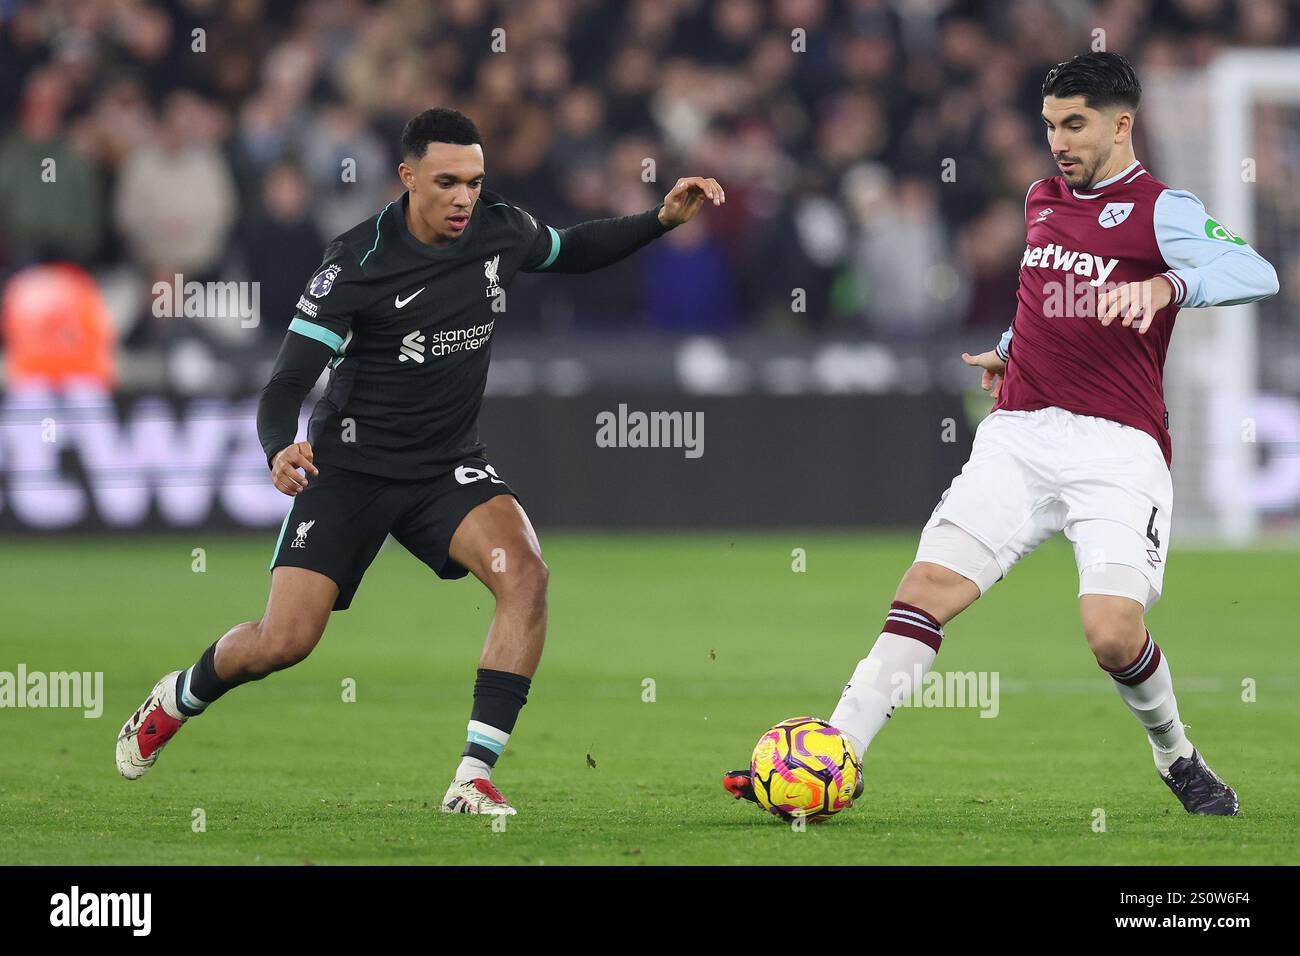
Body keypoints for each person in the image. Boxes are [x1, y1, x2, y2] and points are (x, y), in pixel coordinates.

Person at [116, 107, 725, 815]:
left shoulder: (500, 228)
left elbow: (572, 249)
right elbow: (284, 383)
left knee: (525, 575)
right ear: (408, 179)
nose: (465, 196)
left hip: (445, 466)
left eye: (474, 180)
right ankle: (181, 695)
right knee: (283, 641)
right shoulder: (356, 262)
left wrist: (660, 219)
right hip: (349, 469)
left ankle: (473, 775)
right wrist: (279, 446)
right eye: (447, 182)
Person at [725, 52, 1277, 817]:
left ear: (1122, 124)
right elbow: (1043, 295)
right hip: (1018, 434)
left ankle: (1175, 754)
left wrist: (1167, 283)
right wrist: (1013, 351)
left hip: (1117, 446)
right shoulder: (1042, 200)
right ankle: (835, 752)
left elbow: (1256, 271)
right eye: (1050, 124)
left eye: (1075, 124)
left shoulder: (1162, 208)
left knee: (1112, 634)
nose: (1058, 140)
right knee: (924, 590)